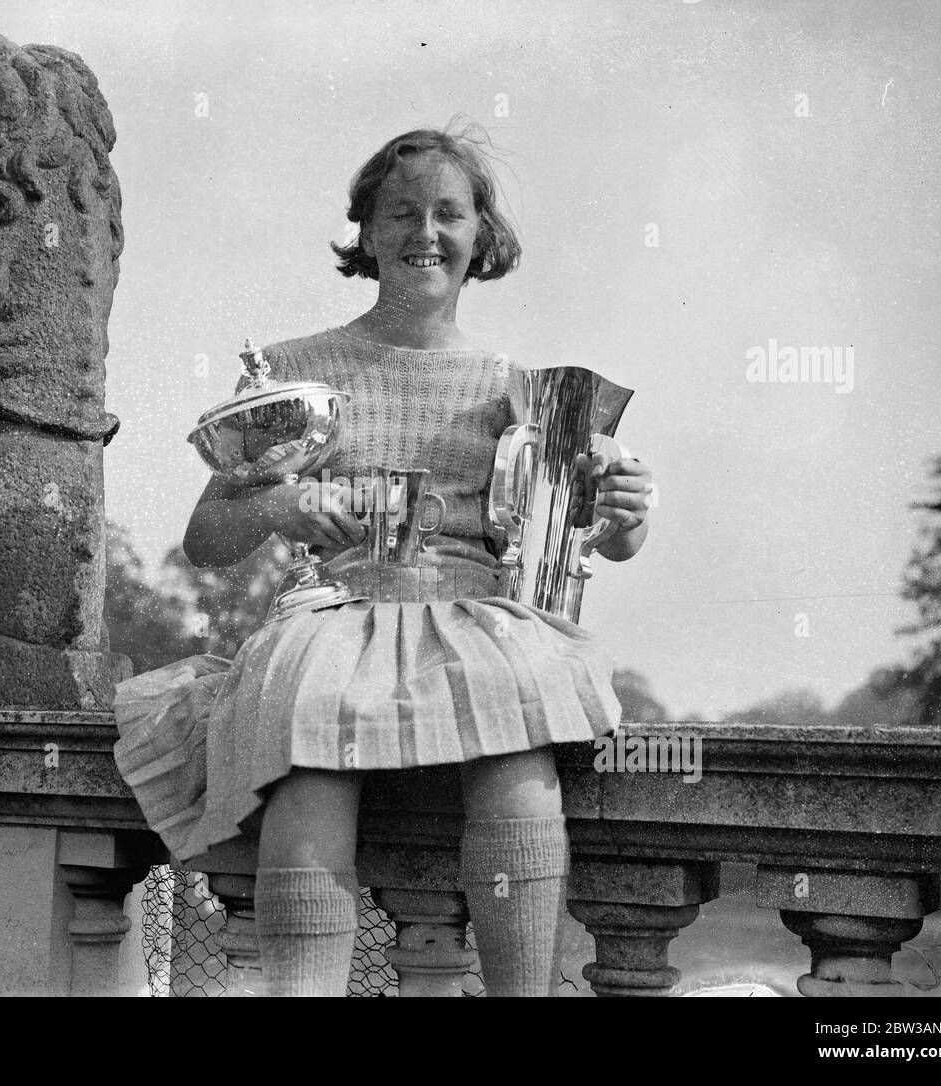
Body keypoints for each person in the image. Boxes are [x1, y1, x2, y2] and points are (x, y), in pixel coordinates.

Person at [115, 124, 654, 997]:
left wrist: (626, 516)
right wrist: (286, 503)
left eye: (449, 213)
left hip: (474, 622)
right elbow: (206, 542)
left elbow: (589, 539)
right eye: (401, 212)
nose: (425, 233)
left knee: (520, 746)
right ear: (365, 231)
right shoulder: (291, 370)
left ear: (483, 236)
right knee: (309, 743)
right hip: (335, 611)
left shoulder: (518, 388)